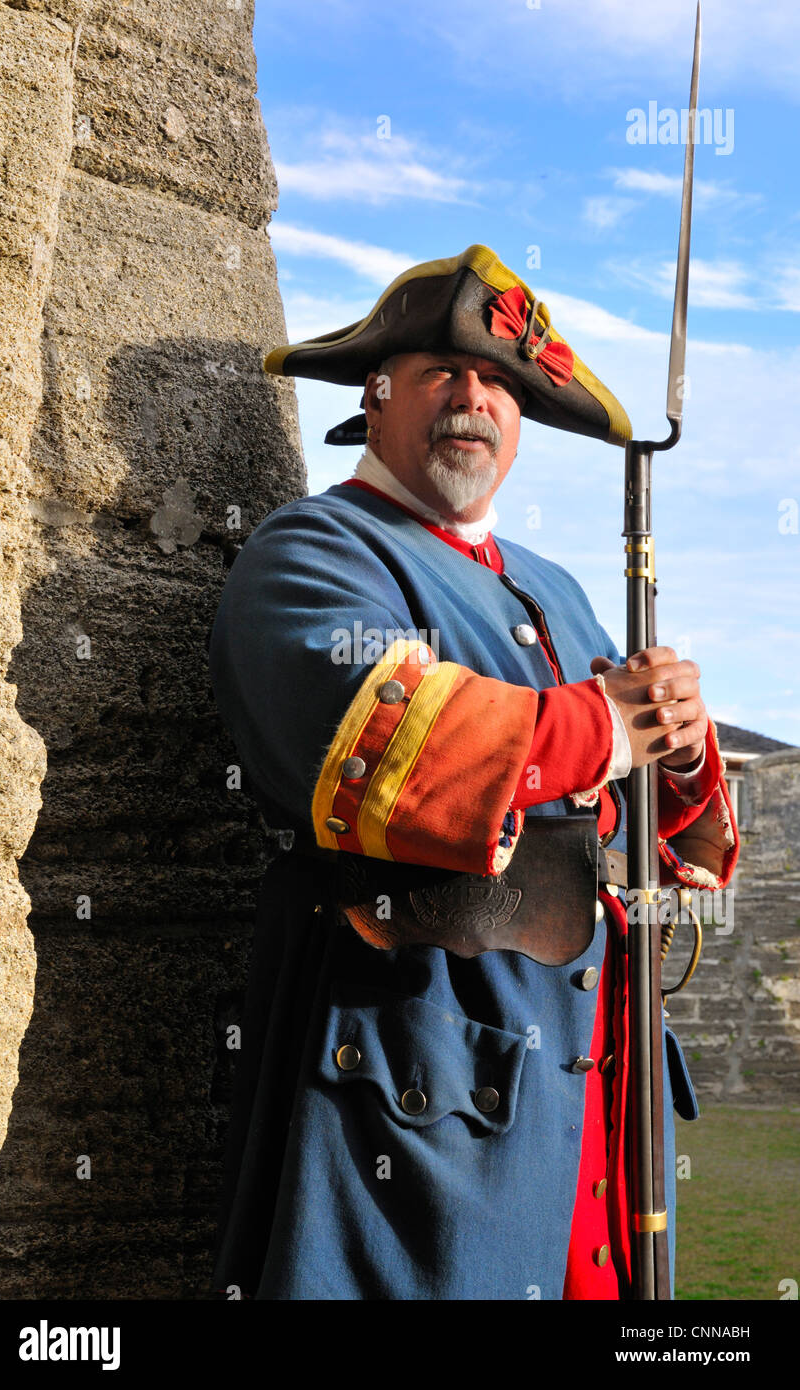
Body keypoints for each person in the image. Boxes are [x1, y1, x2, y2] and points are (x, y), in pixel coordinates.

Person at [208, 244, 738, 1300]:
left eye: (498, 378)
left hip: (584, 1081)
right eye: (438, 369)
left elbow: (640, 829)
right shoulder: (313, 549)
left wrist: (676, 750)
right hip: (417, 1078)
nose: (472, 396)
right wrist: (606, 719)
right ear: (377, 390)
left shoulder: (557, 589)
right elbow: (384, 747)